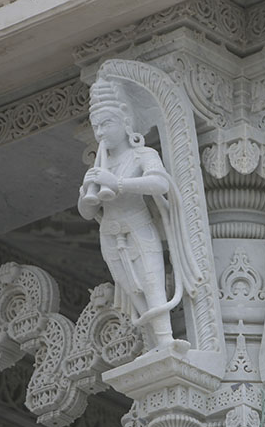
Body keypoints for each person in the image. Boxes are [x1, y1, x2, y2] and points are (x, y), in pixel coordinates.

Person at [78, 79, 199, 350]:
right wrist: (89, 189)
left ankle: (166, 340)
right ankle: (151, 344)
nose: (100, 133)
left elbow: (160, 184)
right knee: (131, 289)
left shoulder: (142, 155)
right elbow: (87, 212)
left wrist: (118, 184)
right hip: (109, 231)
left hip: (137, 225)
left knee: (151, 282)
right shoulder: (100, 166)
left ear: (125, 120)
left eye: (106, 123)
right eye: (96, 126)